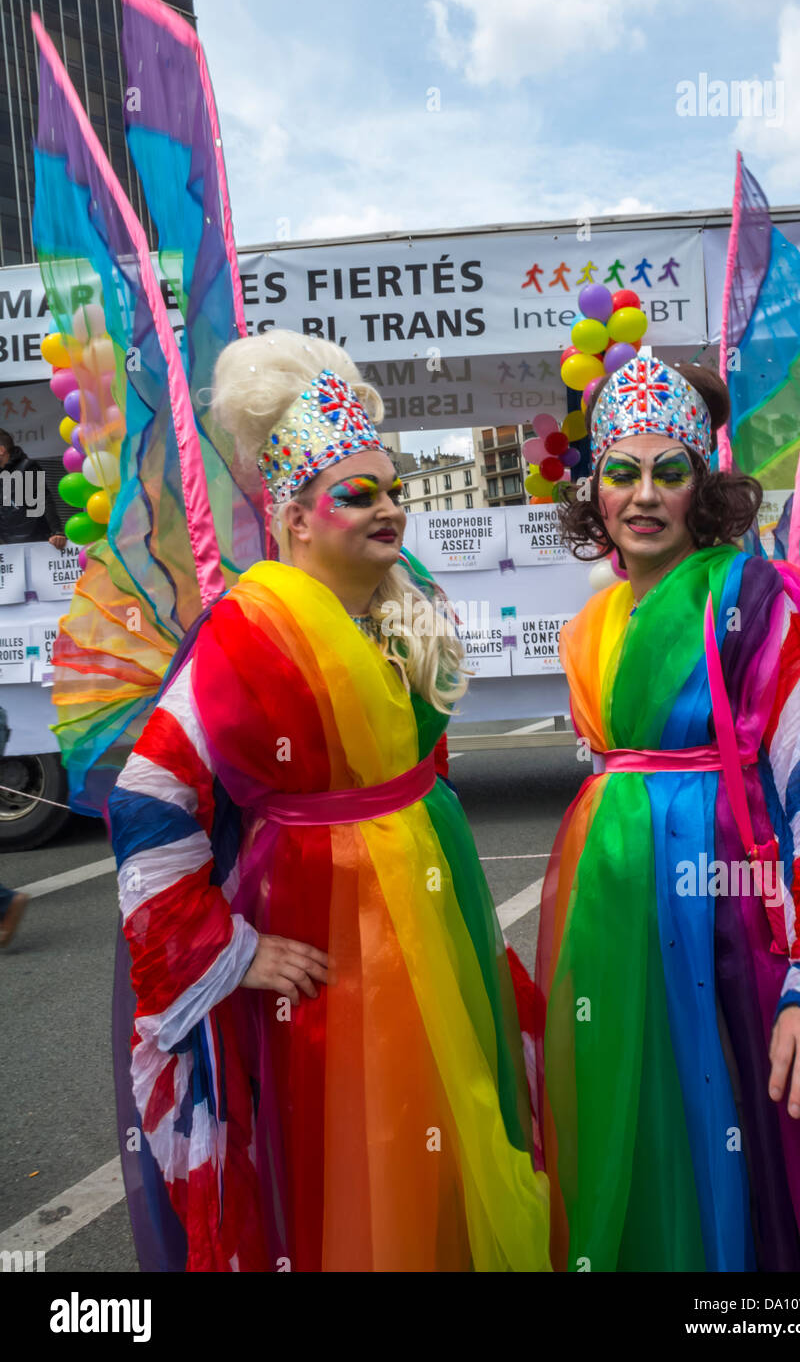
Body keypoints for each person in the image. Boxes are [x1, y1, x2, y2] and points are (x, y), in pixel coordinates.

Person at [107, 330, 550, 1273]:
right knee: (353, 1158)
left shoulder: (405, 609)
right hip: (322, 935)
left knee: (451, 1131)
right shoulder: (244, 633)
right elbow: (147, 795)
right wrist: (231, 952)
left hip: (435, 919)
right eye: (359, 494)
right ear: (295, 519)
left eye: (393, 489)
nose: (390, 506)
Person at [535, 354, 800, 1272]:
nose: (644, 495)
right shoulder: (591, 628)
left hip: (739, 938)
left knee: (762, 1171)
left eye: (670, 472)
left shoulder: (758, 602)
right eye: (622, 471)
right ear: (594, 489)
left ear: (702, 489)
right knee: (641, 1156)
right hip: (616, 942)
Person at [0, 429, 66, 548]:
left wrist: (57, 531)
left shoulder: (26, 467)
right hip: (9, 547)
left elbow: (43, 499)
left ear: (1, 450)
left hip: (36, 542)